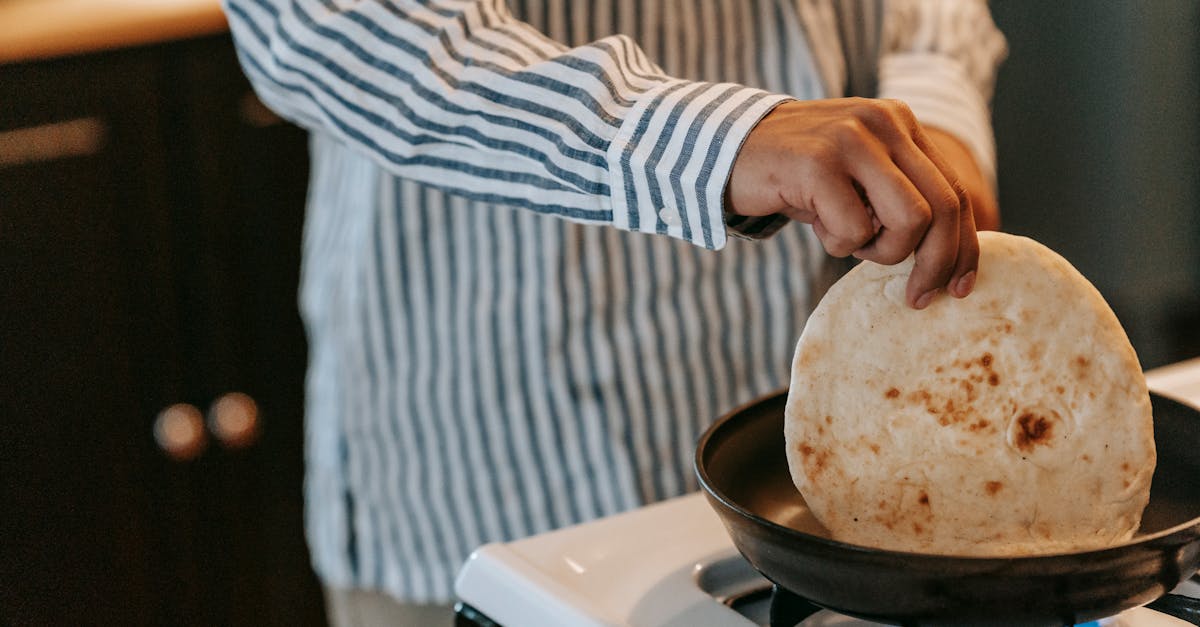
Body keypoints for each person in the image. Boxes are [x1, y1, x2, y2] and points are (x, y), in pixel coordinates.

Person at [221, 0, 1006, 623]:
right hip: (489, 472)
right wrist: (710, 141)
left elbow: (929, 17)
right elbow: (328, 26)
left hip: (812, 501)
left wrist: (929, 121)